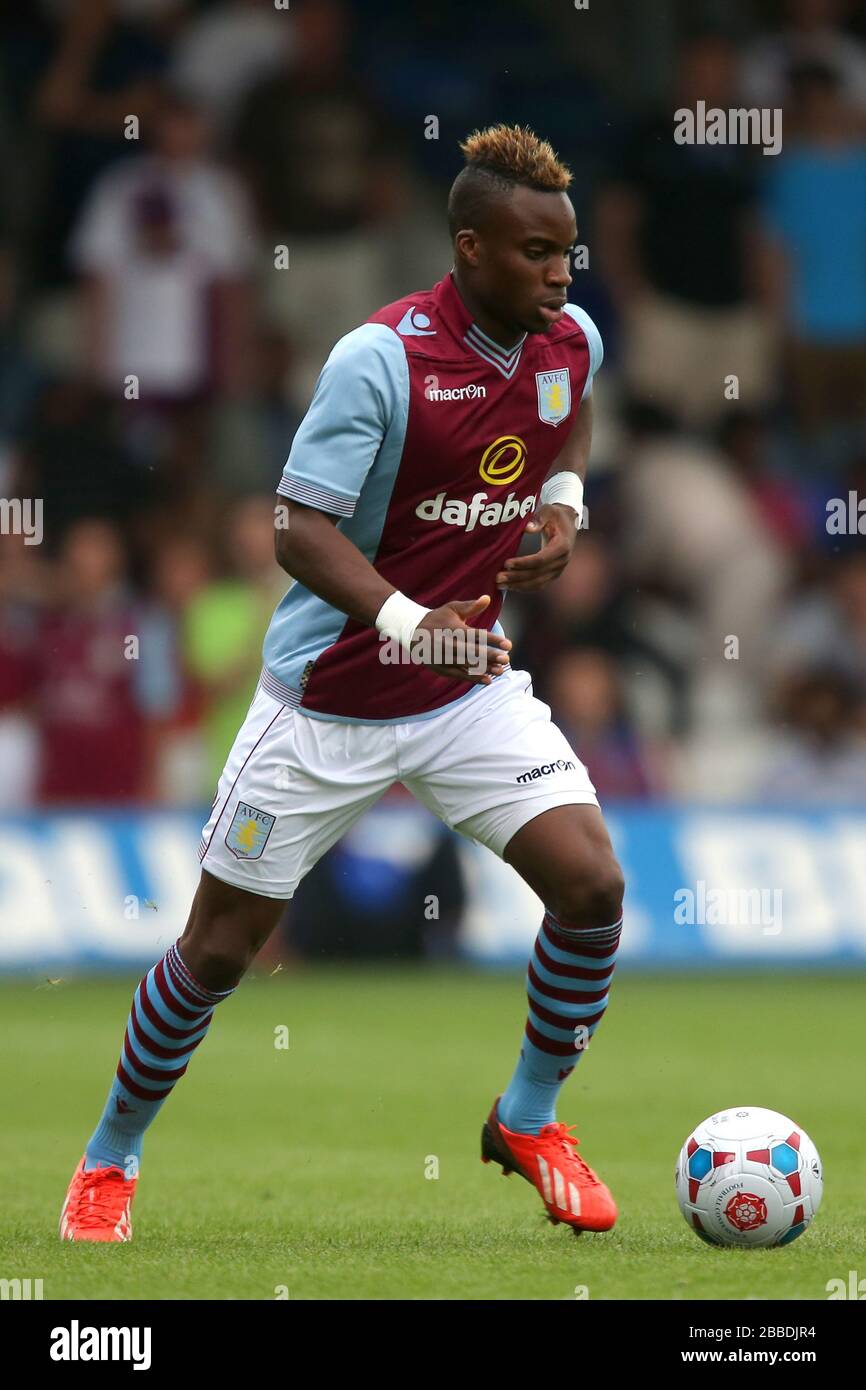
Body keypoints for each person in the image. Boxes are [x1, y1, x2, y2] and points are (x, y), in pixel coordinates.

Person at [59, 125, 625, 1243]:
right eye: (534, 254)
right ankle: (109, 1157)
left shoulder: (568, 341)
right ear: (467, 249)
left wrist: (565, 509)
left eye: (568, 253)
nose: (560, 277)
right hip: (324, 703)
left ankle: (526, 1117)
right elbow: (294, 527)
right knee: (218, 951)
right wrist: (412, 623)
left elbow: (574, 417)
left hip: (466, 690)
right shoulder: (379, 359)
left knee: (592, 886)